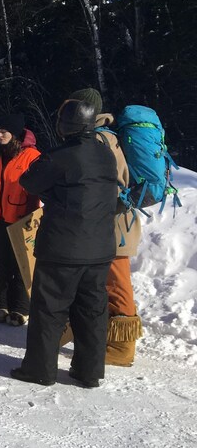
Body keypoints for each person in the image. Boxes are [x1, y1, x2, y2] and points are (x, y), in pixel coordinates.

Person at [11, 99, 119, 387]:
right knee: (92, 310)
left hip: (63, 247)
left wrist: (54, 191)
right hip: (100, 248)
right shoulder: (105, 153)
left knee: (50, 309)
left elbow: (29, 182)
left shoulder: (60, 156)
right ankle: (89, 371)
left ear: (64, 125)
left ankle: (39, 369)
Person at [70, 88, 144, 366]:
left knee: (117, 283)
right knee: (104, 282)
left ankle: (123, 349)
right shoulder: (104, 135)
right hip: (109, 220)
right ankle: (104, 337)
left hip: (113, 223)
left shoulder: (101, 138)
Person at [0, 113, 41, 326]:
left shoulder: (32, 156)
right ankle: (2, 304)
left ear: (16, 133)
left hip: (20, 217)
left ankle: (21, 308)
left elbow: (35, 190)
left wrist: (29, 216)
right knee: (2, 262)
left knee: (20, 263)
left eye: (4, 131)